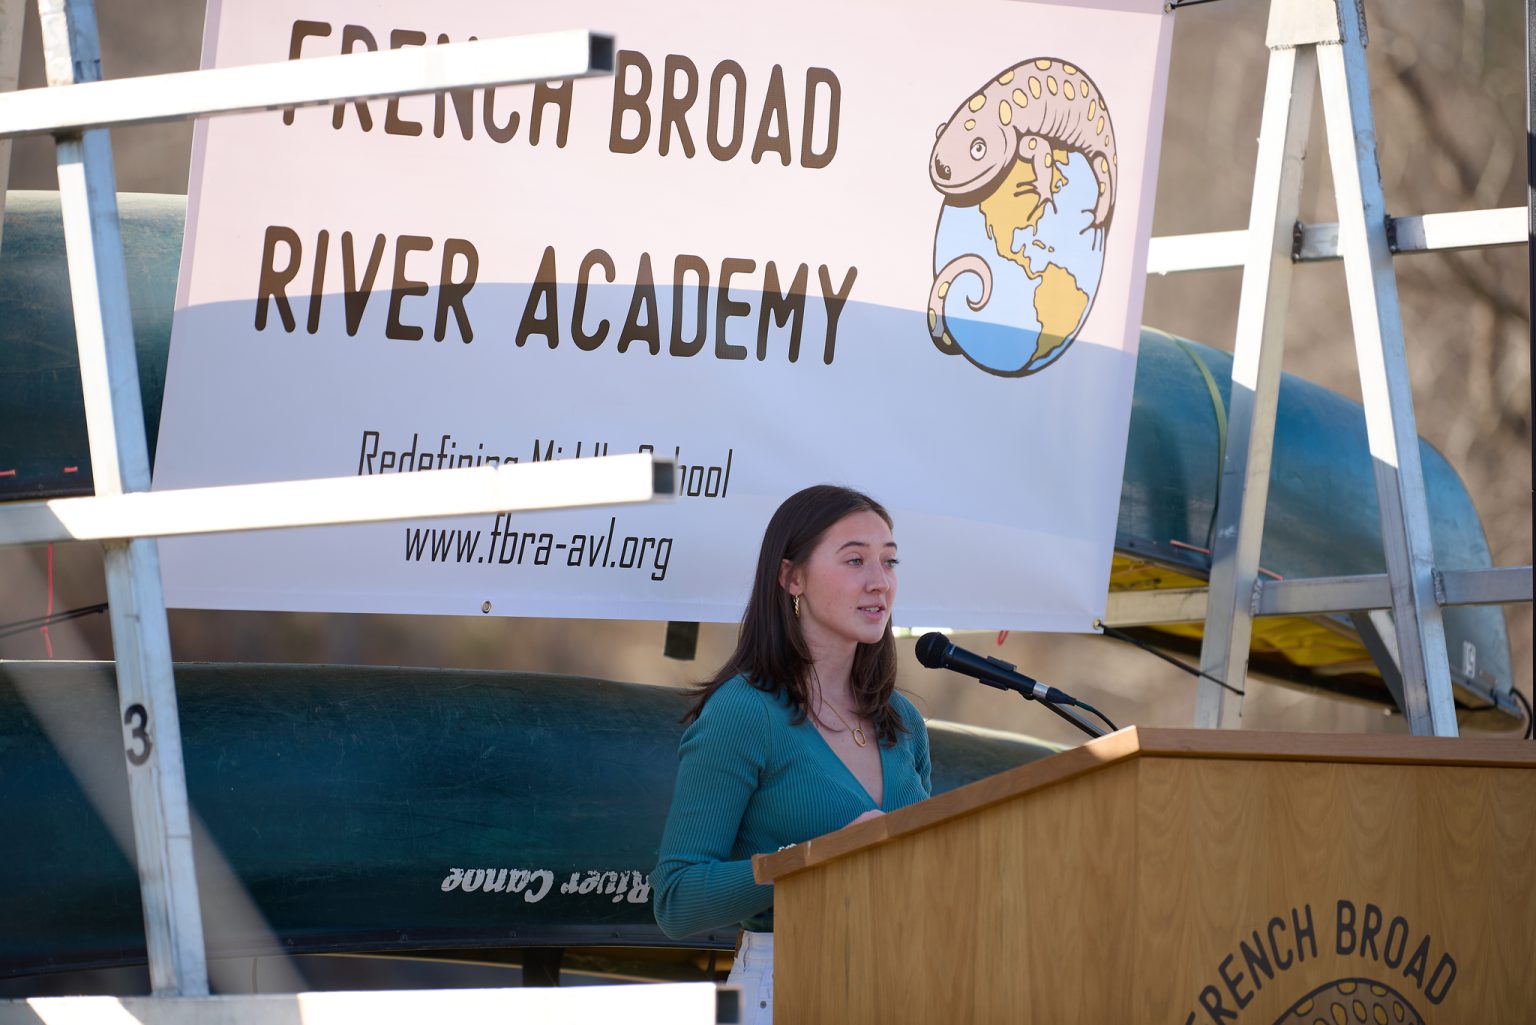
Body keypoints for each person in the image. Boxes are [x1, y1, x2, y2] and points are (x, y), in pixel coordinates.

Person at [652, 484, 932, 1024]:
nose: (880, 581)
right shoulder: (745, 713)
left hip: (898, 987)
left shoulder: (904, 723)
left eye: (889, 562)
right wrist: (811, 860)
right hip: (783, 991)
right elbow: (676, 899)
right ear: (791, 578)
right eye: (855, 560)